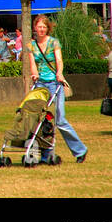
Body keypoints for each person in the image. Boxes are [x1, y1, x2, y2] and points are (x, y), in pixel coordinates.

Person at [28, 14, 88, 163]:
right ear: (35, 28)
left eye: (44, 27)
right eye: (39, 27)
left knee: (60, 120)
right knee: (39, 119)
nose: (41, 29)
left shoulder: (54, 42)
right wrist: (34, 74)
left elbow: (59, 60)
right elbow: (32, 64)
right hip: (40, 84)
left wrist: (59, 73)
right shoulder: (31, 45)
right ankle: (45, 153)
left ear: (47, 28)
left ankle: (80, 150)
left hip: (55, 83)